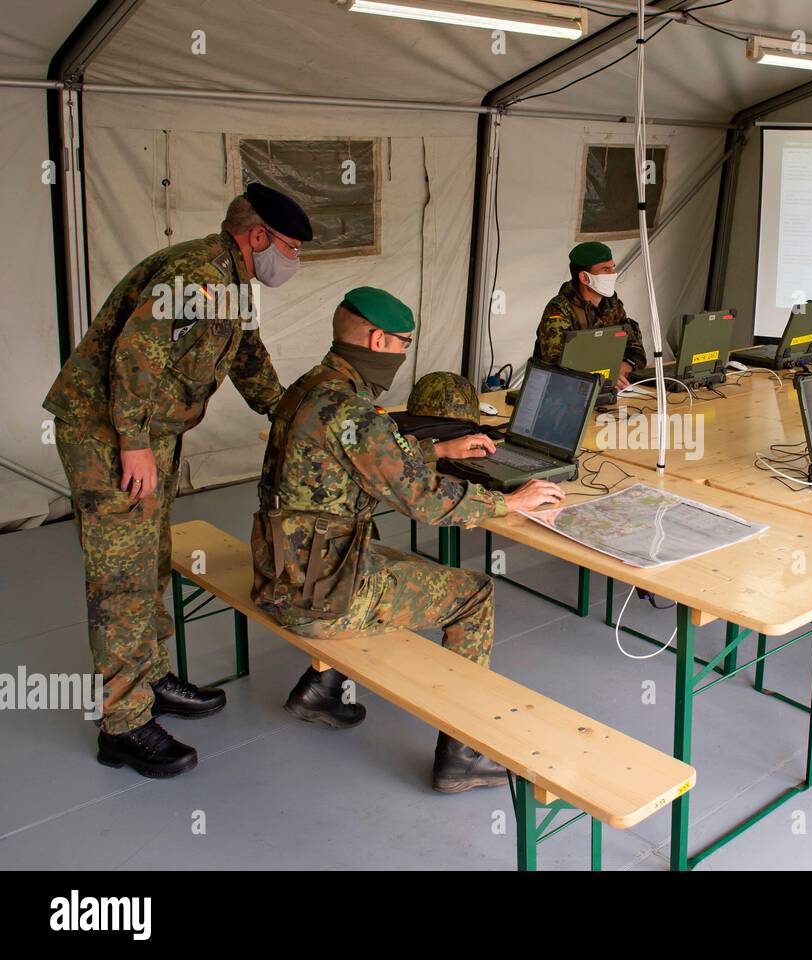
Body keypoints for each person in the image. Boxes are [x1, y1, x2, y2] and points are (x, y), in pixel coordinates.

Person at [251, 286, 565, 792]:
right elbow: (423, 501)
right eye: (401, 343)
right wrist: (509, 502)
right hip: (320, 594)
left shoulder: (310, 388)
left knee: (378, 552)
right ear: (377, 340)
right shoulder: (352, 412)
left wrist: (438, 447)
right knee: (474, 595)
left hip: (282, 567)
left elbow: (364, 455)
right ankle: (461, 754)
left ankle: (322, 687)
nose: (402, 354)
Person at [45, 183, 312, 778]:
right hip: (108, 434)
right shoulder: (199, 273)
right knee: (120, 578)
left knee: (149, 558)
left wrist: (288, 413)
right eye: (290, 248)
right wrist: (134, 442)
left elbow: (247, 357)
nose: (292, 261)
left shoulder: (232, 281)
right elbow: (135, 355)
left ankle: (150, 676)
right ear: (258, 236)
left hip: (147, 434)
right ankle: (123, 725)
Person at [533, 241, 646, 389]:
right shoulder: (559, 310)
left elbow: (635, 348)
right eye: (605, 269)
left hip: (604, 389)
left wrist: (623, 368)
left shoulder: (612, 304)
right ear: (585, 278)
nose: (613, 274)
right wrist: (603, 376)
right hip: (558, 393)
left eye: (613, 267)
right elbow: (558, 366)